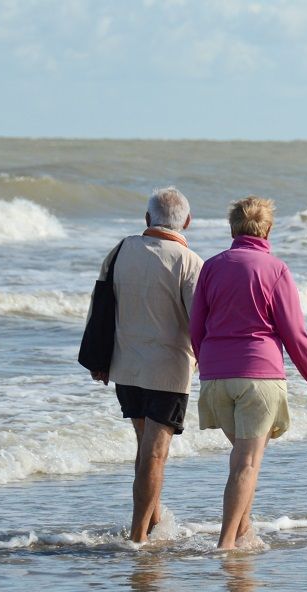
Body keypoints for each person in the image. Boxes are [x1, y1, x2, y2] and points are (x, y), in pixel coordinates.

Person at [189, 196, 307, 550]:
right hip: (259, 378)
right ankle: (225, 545)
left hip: (216, 379)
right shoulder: (276, 269)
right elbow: (293, 333)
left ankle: (243, 533)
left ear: (233, 228)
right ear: (267, 228)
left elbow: (196, 327)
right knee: (247, 464)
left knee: (242, 461)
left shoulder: (211, 267)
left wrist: (206, 364)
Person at [88, 187, 203, 543]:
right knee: (155, 454)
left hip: (125, 367)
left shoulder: (121, 250)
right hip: (169, 370)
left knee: (145, 450)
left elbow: (100, 307)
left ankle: (151, 524)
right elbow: (199, 323)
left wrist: (98, 358)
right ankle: (138, 539)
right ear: (186, 221)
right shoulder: (189, 262)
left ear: (147, 218)